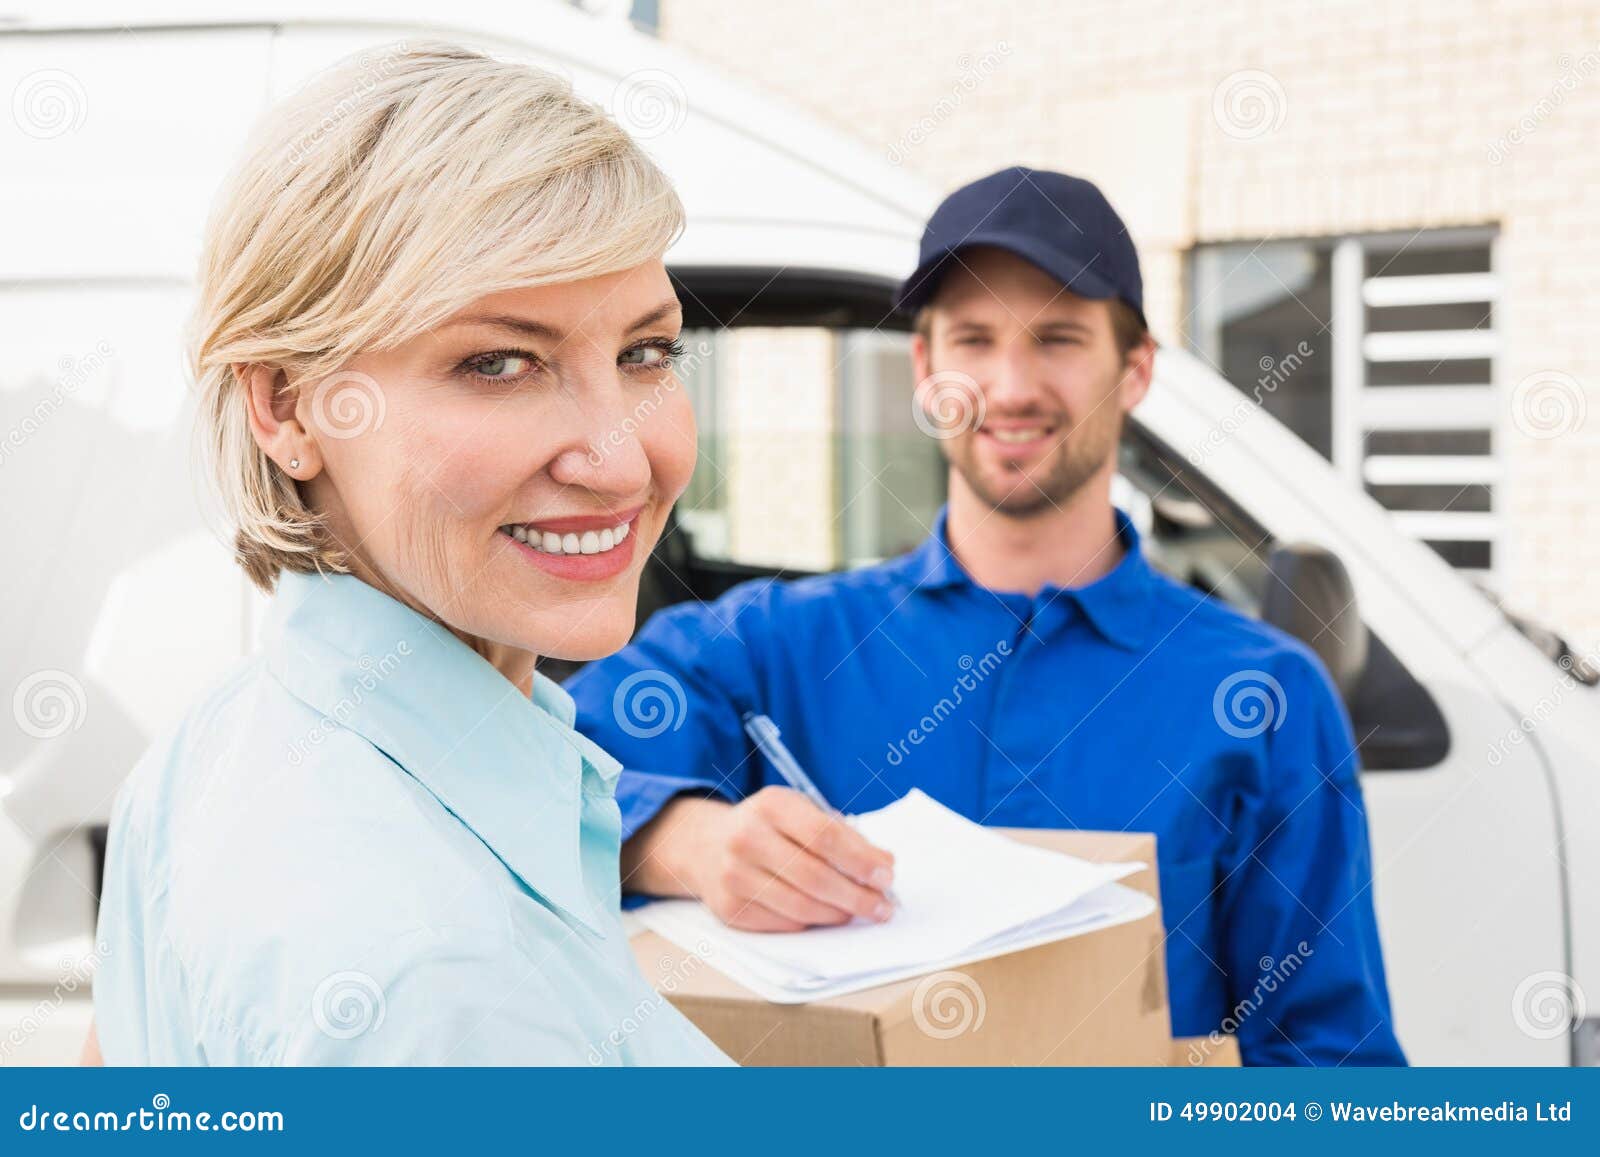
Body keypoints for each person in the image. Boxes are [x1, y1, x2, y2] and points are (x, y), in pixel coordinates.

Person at [569, 167, 1407, 1066]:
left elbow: (1331, 1062)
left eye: (1057, 338)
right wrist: (683, 839)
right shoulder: (768, 646)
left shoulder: (1262, 694)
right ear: (927, 369)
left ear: (1134, 370)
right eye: (973, 338)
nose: (1009, 387)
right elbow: (532, 760)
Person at [88, 42, 729, 1066]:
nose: (620, 462)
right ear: (287, 404)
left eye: (644, 353)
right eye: (499, 362)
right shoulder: (430, 976)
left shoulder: (222, 740)